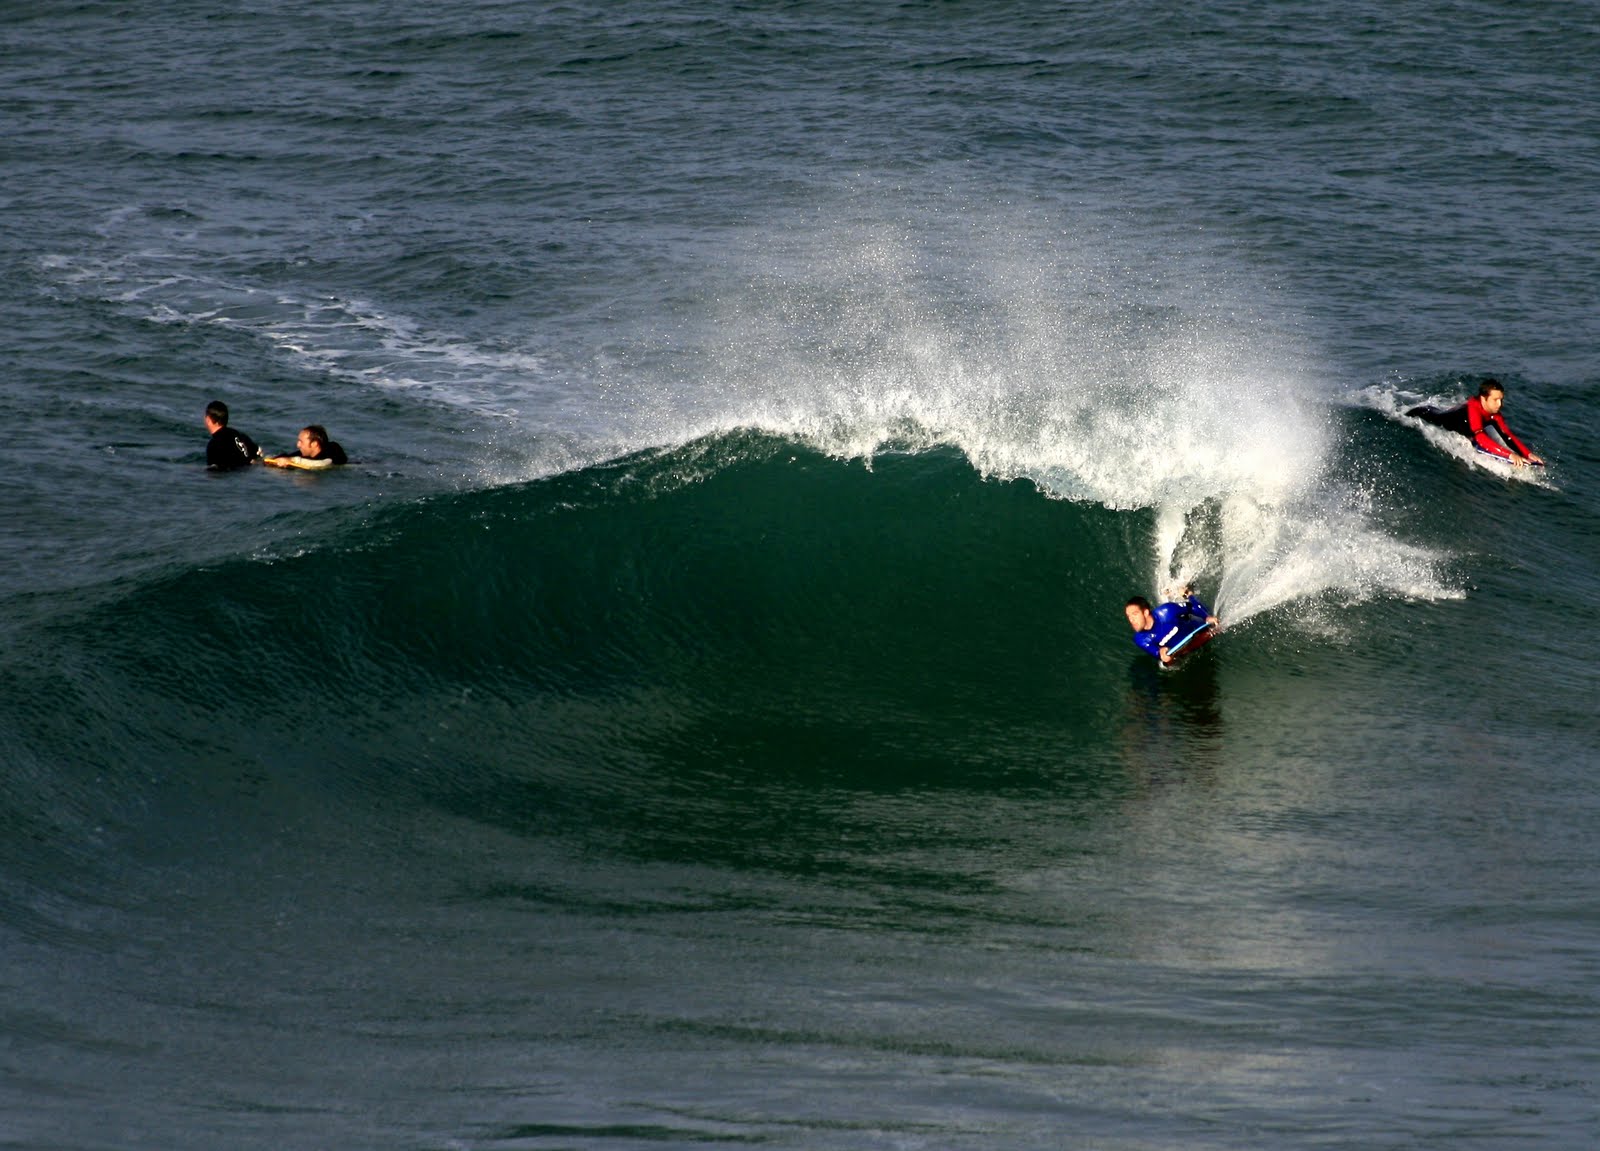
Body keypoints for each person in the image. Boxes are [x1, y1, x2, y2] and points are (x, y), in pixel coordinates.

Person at [1406, 379, 1544, 467]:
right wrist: (1510, 455)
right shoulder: (1473, 410)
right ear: (1484, 399)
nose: (1500, 404)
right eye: (1495, 400)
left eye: (1501, 399)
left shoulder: (1494, 414)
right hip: (1423, 414)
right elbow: (1480, 437)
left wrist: (1527, 454)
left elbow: (1506, 435)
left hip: (1443, 414)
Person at [1125, 588, 1220, 665]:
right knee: (1170, 661)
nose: (1131, 620)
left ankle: (1188, 593)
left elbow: (1191, 608)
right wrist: (1161, 653)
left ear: (1145, 612)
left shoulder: (1167, 611)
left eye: (1135, 614)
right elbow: (1157, 652)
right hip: (1183, 649)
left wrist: (1206, 617)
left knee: (1216, 628)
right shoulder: (1140, 639)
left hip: (1195, 629)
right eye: (1129, 616)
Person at [203, 400, 262, 470]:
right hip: (252, 467)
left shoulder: (214, 444)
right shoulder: (239, 435)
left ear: (208, 419)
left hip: (236, 473)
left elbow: (214, 471)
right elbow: (259, 452)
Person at [264, 425, 348, 470]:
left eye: (301, 441)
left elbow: (323, 463)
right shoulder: (304, 453)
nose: (298, 445)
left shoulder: (333, 450)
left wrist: (291, 461)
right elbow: (286, 457)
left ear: (314, 444)